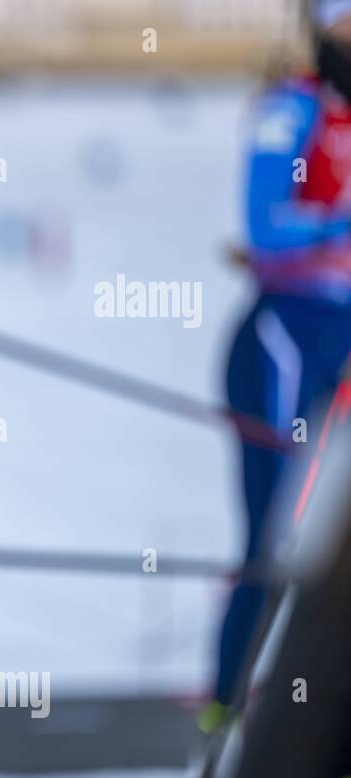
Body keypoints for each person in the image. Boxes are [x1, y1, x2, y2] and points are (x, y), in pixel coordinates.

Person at [207, 0, 351, 731]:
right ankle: (226, 718)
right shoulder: (289, 111)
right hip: (287, 338)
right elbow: (265, 227)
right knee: (275, 537)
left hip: (343, 334)